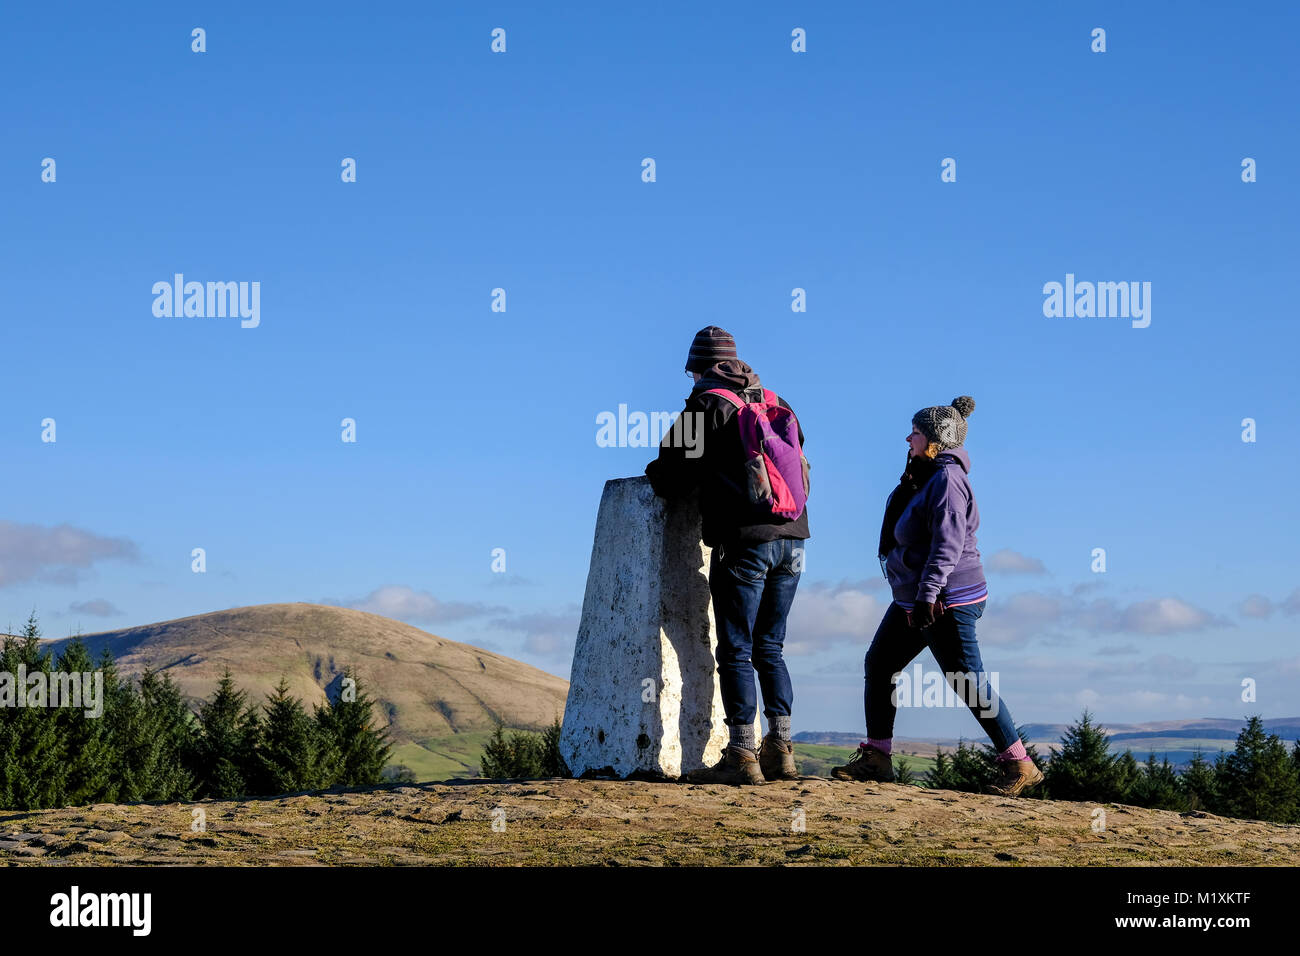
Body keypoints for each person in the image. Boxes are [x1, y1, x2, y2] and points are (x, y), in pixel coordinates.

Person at [831, 396, 1043, 797]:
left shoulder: (947, 481)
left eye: (915, 432)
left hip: (945, 600)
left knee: (966, 679)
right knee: (881, 663)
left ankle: (1020, 763)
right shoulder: (929, 474)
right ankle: (878, 756)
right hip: (919, 597)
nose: (908, 437)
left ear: (933, 440)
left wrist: (929, 594)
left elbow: (947, 545)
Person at [645, 326, 810, 785]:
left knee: (736, 647)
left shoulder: (706, 403)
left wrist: (658, 472)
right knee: (770, 647)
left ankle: (741, 753)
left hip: (744, 540)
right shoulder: (775, 399)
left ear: (696, 367)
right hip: (793, 538)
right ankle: (781, 750)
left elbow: (672, 473)